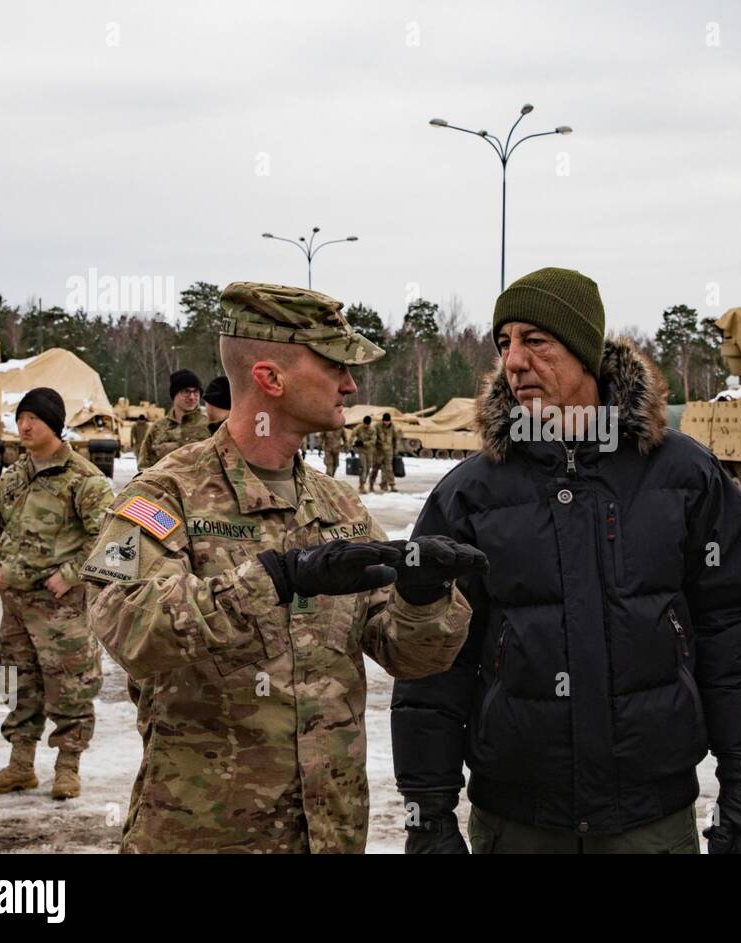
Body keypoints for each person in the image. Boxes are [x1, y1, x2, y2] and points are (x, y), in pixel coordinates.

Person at [391, 267, 741, 854]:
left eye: (535, 341)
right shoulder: (471, 493)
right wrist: (429, 810)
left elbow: (734, 633)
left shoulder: (682, 475)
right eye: (504, 343)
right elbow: (433, 663)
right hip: (517, 821)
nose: (514, 361)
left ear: (585, 350)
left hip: (649, 820)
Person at [81, 281, 481, 853]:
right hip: (207, 835)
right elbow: (128, 629)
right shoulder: (164, 497)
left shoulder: (336, 504)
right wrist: (274, 580)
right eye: (336, 366)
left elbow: (407, 655)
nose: (351, 383)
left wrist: (422, 599)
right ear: (271, 378)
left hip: (331, 833)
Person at [0, 387, 113, 800]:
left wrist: (71, 575)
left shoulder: (84, 479)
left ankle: (67, 768)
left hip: (61, 610)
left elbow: (114, 540)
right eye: (21, 418)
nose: (24, 426)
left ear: (53, 423)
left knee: (70, 689)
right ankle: (21, 766)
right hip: (15, 607)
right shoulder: (15, 475)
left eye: (33, 418)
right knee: (21, 684)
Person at [137, 369, 209, 468]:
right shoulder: (157, 429)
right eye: (186, 391)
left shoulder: (210, 426)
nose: (192, 397)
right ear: (174, 394)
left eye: (196, 392)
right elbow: (144, 467)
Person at [369, 412, 402, 493]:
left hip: (388, 452)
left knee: (389, 469)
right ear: (383, 420)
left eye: (388, 421)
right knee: (375, 469)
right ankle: (371, 484)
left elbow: (396, 438)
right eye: (385, 421)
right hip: (378, 452)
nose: (387, 423)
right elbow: (373, 438)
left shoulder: (392, 427)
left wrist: (396, 449)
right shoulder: (377, 426)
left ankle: (391, 485)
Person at [351, 415, 377, 492]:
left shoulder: (372, 430)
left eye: (367, 424)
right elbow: (352, 436)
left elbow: (373, 441)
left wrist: (363, 443)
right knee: (363, 468)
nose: (366, 426)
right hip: (361, 451)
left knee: (368, 468)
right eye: (365, 424)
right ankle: (361, 485)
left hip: (369, 451)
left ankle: (363, 482)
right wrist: (352, 444)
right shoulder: (359, 428)